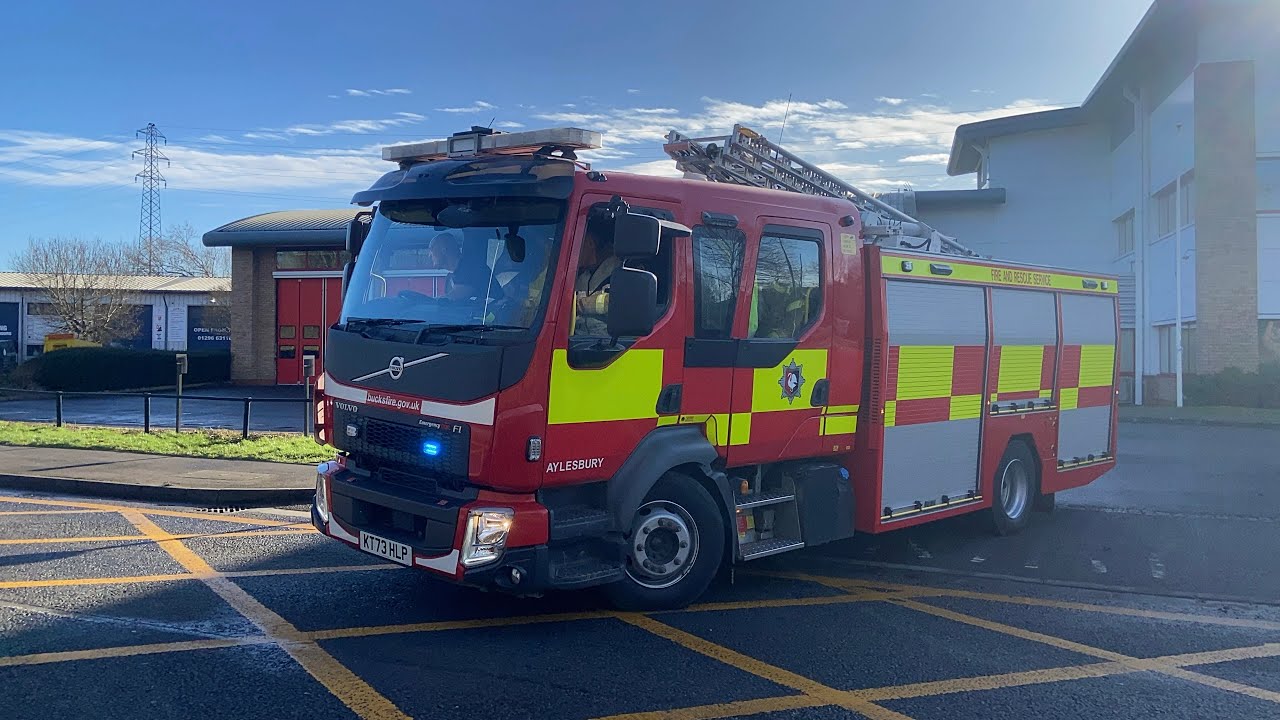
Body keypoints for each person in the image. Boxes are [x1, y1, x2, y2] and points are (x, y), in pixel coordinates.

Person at [573, 223, 619, 335]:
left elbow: (625, 303)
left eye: (576, 243)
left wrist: (579, 305)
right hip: (578, 340)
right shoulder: (580, 275)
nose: (572, 250)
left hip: (610, 342)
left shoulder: (623, 269)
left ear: (590, 243)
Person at [428, 232, 502, 302]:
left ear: (444, 250)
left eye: (432, 249)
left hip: (496, 310)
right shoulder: (460, 269)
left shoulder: (470, 267)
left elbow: (454, 297)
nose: (429, 255)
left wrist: (427, 301)